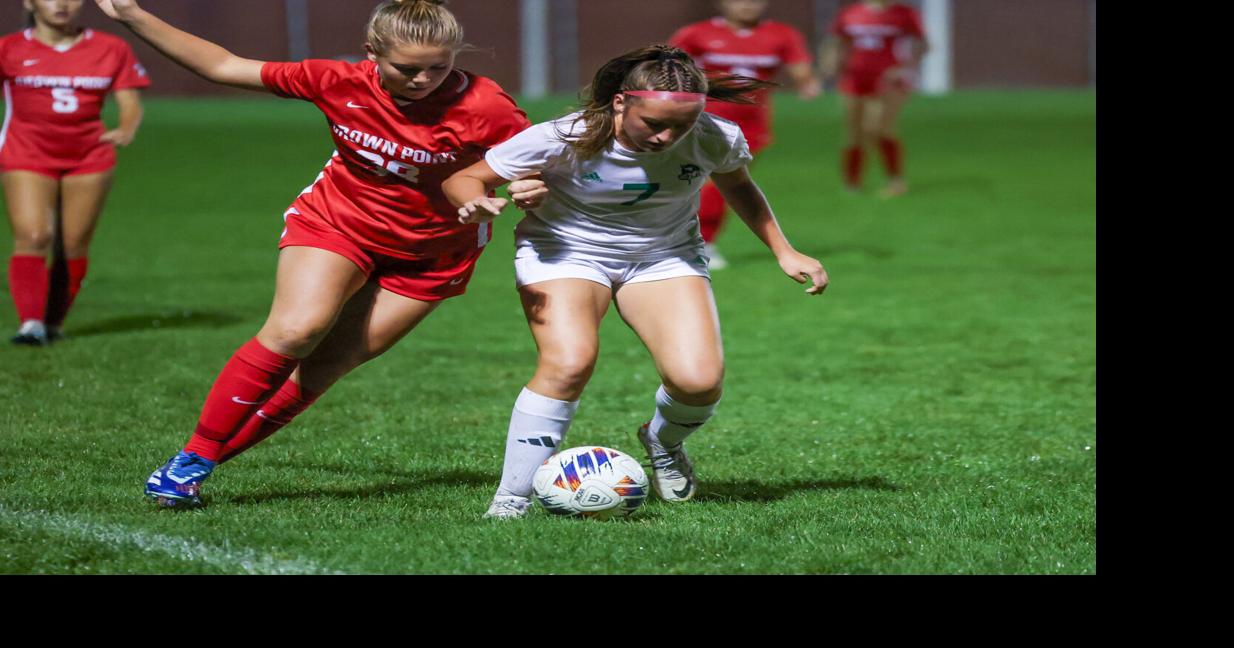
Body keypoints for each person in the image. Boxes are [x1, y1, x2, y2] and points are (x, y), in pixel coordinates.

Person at [92, 0, 548, 507]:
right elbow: (222, 65)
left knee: (324, 366)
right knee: (296, 329)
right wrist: (133, 15)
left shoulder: (487, 105)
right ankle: (193, 457)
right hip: (339, 223)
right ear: (371, 52)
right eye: (407, 69)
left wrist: (525, 188)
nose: (423, 80)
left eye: (438, 67)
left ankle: (195, 467)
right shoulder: (336, 80)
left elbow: (531, 164)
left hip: (432, 253)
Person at [442, 45, 829, 519]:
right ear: (621, 103)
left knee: (699, 382)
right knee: (568, 362)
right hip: (566, 253)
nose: (668, 136)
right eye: (655, 124)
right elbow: (465, 178)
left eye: (681, 126)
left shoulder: (713, 135)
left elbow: (739, 185)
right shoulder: (566, 135)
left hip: (664, 257)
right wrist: (477, 199)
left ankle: (661, 441)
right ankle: (510, 502)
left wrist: (784, 250)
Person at [2, 0, 148, 345]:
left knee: (72, 245)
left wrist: (126, 127)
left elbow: (129, 102)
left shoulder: (111, 47)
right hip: (26, 153)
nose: (62, 3)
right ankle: (31, 325)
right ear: (30, 2)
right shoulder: (9, 48)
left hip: (89, 155)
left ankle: (52, 324)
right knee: (34, 235)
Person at [668, 0, 819, 270]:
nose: (747, 6)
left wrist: (807, 83)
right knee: (703, 183)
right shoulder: (696, 33)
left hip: (752, 126)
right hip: (703, 122)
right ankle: (701, 243)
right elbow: (667, 67)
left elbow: (801, 70)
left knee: (729, 184)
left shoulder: (783, 35)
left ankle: (694, 242)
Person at [819, 0, 928, 198]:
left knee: (878, 128)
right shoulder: (851, 13)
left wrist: (906, 67)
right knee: (854, 132)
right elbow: (835, 41)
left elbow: (922, 43)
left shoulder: (904, 13)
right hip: (854, 79)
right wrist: (830, 64)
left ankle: (896, 181)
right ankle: (852, 184)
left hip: (889, 79)